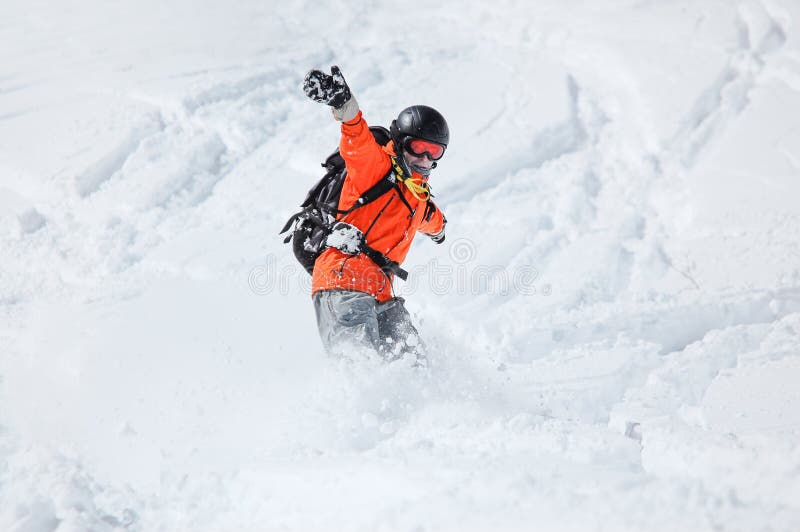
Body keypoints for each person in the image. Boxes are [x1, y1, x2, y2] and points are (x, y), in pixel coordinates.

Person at [302, 65, 449, 364]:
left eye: (434, 152)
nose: (424, 158)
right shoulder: (374, 167)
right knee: (363, 368)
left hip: (381, 294)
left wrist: (440, 230)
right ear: (401, 142)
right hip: (342, 281)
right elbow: (356, 136)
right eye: (418, 147)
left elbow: (432, 220)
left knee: (416, 368)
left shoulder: (418, 196)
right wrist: (344, 104)